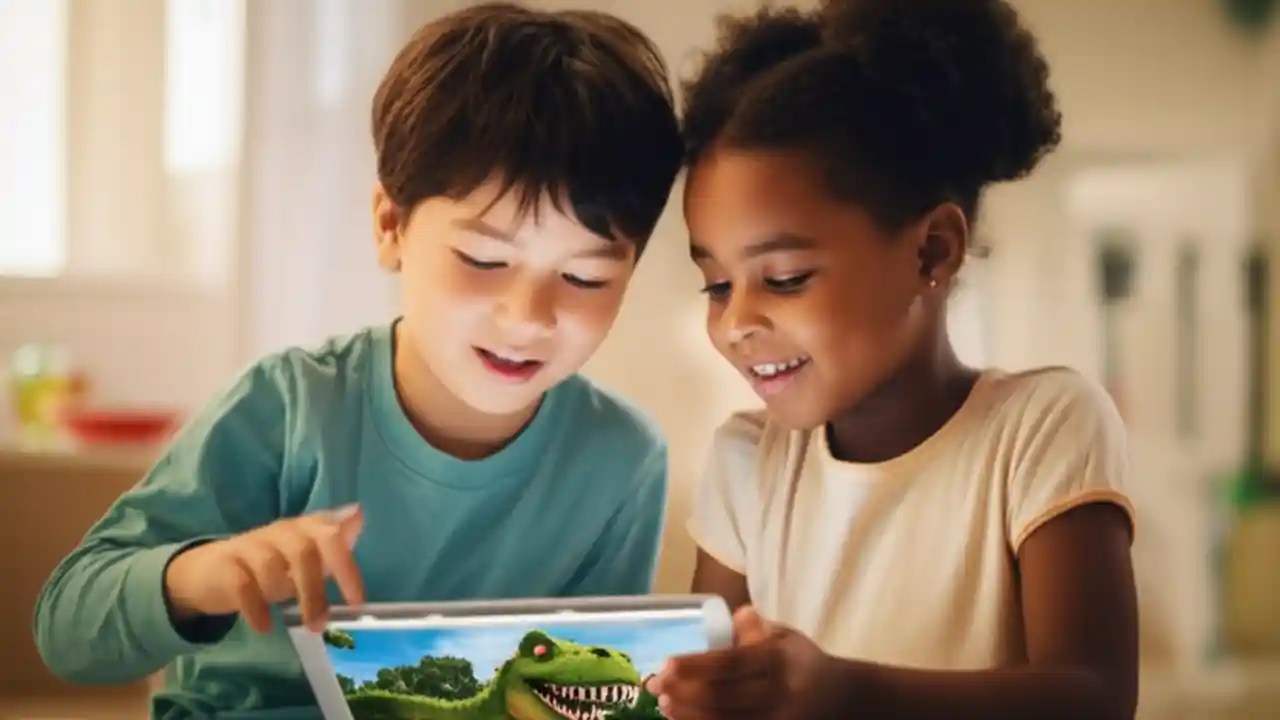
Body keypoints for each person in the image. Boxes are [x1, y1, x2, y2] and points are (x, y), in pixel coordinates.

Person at [34, 3, 683, 716]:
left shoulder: (621, 459)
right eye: (484, 259)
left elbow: (588, 696)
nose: (528, 316)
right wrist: (206, 575)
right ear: (390, 226)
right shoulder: (288, 408)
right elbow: (68, 631)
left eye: (585, 277)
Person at [647, 1, 1138, 718]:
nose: (737, 322)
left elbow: (1094, 696)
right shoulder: (746, 462)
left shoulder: (1042, 427)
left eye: (785, 278)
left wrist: (844, 693)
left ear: (932, 251)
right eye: (717, 285)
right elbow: (711, 689)